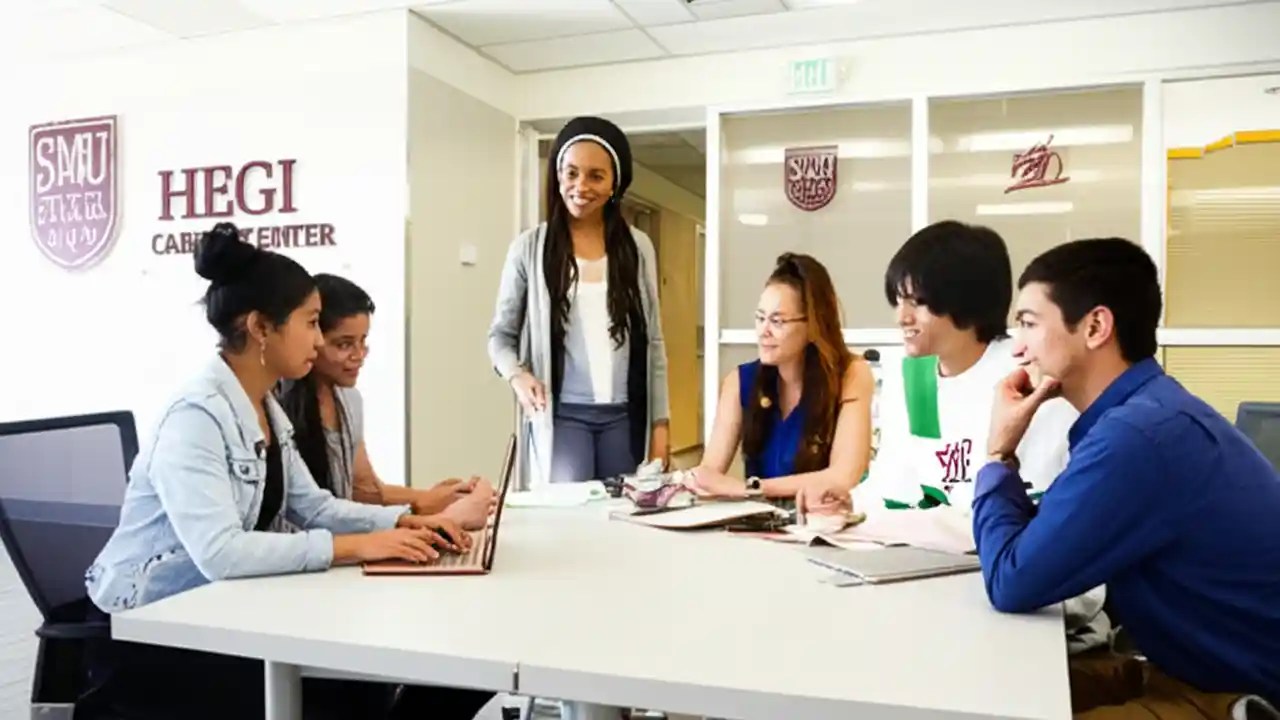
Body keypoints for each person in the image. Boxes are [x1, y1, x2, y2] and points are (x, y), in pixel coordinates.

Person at [82, 223, 483, 720]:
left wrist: (404, 524)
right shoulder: (196, 415)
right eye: (312, 322)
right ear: (260, 328)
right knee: (339, 692)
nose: (319, 340)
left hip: (211, 612)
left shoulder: (263, 407)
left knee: (358, 688)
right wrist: (357, 546)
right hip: (147, 633)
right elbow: (220, 552)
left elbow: (312, 505)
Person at [976, 237, 1280, 716]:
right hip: (1184, 666)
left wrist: (997, 453)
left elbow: (1013, 582)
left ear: (1096, 326)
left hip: (1226, 685)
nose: (1018, 348)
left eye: (1030, 325)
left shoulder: (1139, 436)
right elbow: (1037, 545)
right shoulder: (1146, 414)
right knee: (985, 691)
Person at [488, 116, 669, 489]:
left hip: (624, 416)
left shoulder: (637, 249)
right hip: (563, 417)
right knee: (567, 520)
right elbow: (500, 337)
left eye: (595, 176)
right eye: (571, 173)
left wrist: (661, 425)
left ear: (615, 184)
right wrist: (518, 376)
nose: (580, 186)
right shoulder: (530, 248)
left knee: (620, 522)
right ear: (557, 176)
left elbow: (654, 343)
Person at [855, 220, 1078, 513]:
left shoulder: (1027, 374)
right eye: (897, 301)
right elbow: (894, 482)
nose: (902, 317)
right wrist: (844, 503)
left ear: (964, 298)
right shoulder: (913, 376)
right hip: (923, 548)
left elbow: (1039, 495)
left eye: (917, 302)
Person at [278, 273, 494, 531]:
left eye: (363, 341)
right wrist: (422, 506)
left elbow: (365, 490)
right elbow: (320, 512)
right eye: (344, 344)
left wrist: (432, 498)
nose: (359, 355)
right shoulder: (278, 408)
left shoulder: (348, 401)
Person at [681, 253, 874, 512]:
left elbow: (842, 476)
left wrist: (747, 489)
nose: (764, 331)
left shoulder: (852, 374)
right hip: (760, 526)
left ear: (813, 325)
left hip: (822, 526)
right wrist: (693, 480)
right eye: (760, 318)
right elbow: (710, 473)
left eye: (777, 321)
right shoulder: (739, 382)